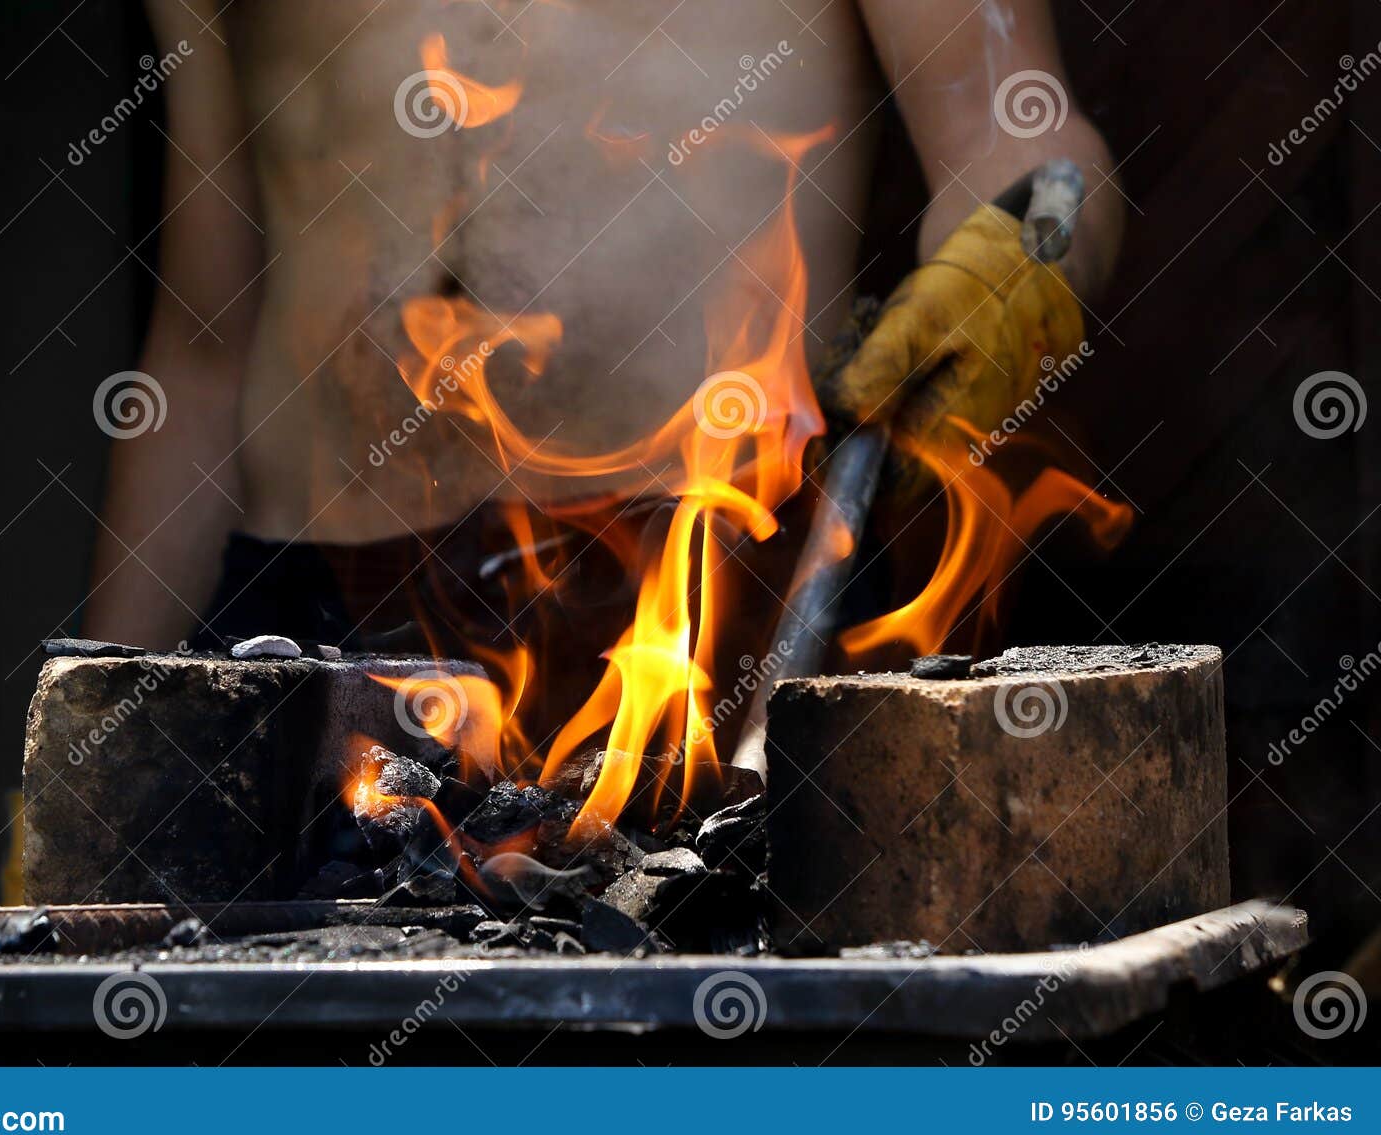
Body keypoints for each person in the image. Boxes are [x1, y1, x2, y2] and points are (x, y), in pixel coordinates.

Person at [83, 0, 1122, 653]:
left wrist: (1014, 266)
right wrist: (80, 784)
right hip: (310, 625)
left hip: (716, 595)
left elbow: (1017, 137)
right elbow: (203, 343)